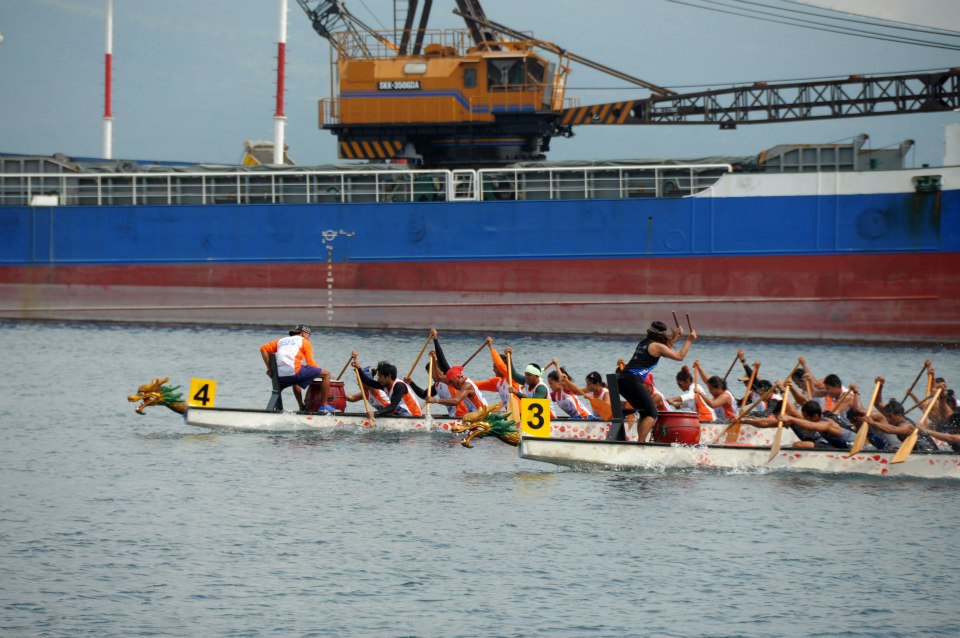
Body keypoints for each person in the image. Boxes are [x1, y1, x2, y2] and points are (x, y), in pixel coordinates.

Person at [618, 320, 697, 443]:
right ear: (661, 335)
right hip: (632, 380)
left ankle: (640, 442)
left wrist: (677, 336)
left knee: (645, 412)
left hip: (622, 379)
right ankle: (640, 444)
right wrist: (689, 339)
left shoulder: (644, 343)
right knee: (652, 413)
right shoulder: (657, 346)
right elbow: (680, 356)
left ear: (650, 332)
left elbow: (666, 347)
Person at [259, 324, 333, 413]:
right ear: (303, 334)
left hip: (279, 377)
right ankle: (324, 405)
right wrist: (324, 376)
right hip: (294, 374)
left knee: (298, 378)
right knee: (326, 374)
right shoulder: (305, 342)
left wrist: (270, 369)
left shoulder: (281, 340)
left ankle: (301, 407)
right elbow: (311, 364)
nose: (309, 339)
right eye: (309, 336)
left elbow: (263, 348)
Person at [353, 359, 422, 418]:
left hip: (414, 416)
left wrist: (375, 414)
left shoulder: (399, 386)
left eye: (380, 376)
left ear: (388, 376)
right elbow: (367, 381)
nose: (378, 379)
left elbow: (392, 407)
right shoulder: (385, 385)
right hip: (402, 415)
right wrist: (358, 368)